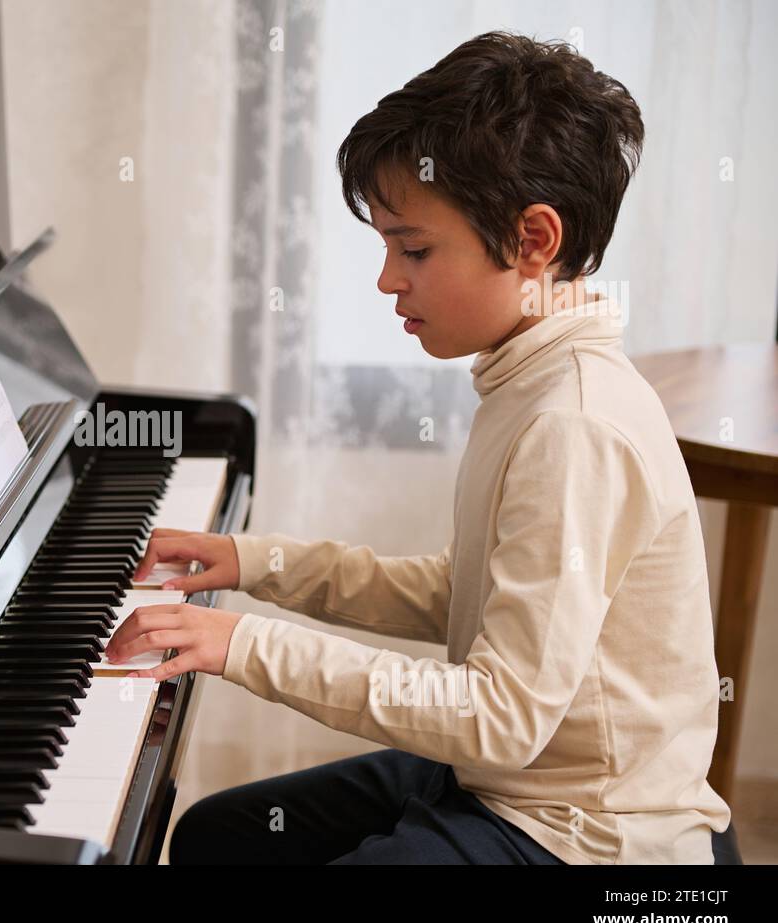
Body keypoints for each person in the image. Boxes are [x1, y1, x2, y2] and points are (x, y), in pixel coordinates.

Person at [104, 31, 730, 865]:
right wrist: (253, 563)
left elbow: (501, 718)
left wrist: (240, 644)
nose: (388, 279)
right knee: (220, 836)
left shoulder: (574, 423)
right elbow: (459, 592)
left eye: (414, 248)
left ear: (534, 241)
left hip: (590, 836)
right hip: (509, 780)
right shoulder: (530, 377)